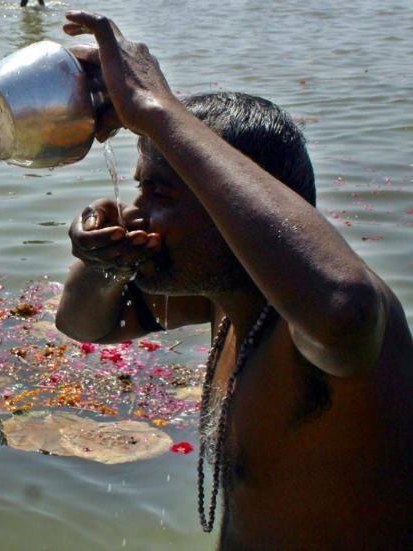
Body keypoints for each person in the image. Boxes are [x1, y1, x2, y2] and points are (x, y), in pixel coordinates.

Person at [54, 10, 412, 549]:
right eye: (140, 191)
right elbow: (85, 324)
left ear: (234, 209)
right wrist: (106, 261)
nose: (137, 213)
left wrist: (156, 109)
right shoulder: (229, 299)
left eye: (160, 194)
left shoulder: (317, 325)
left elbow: (345, 309)